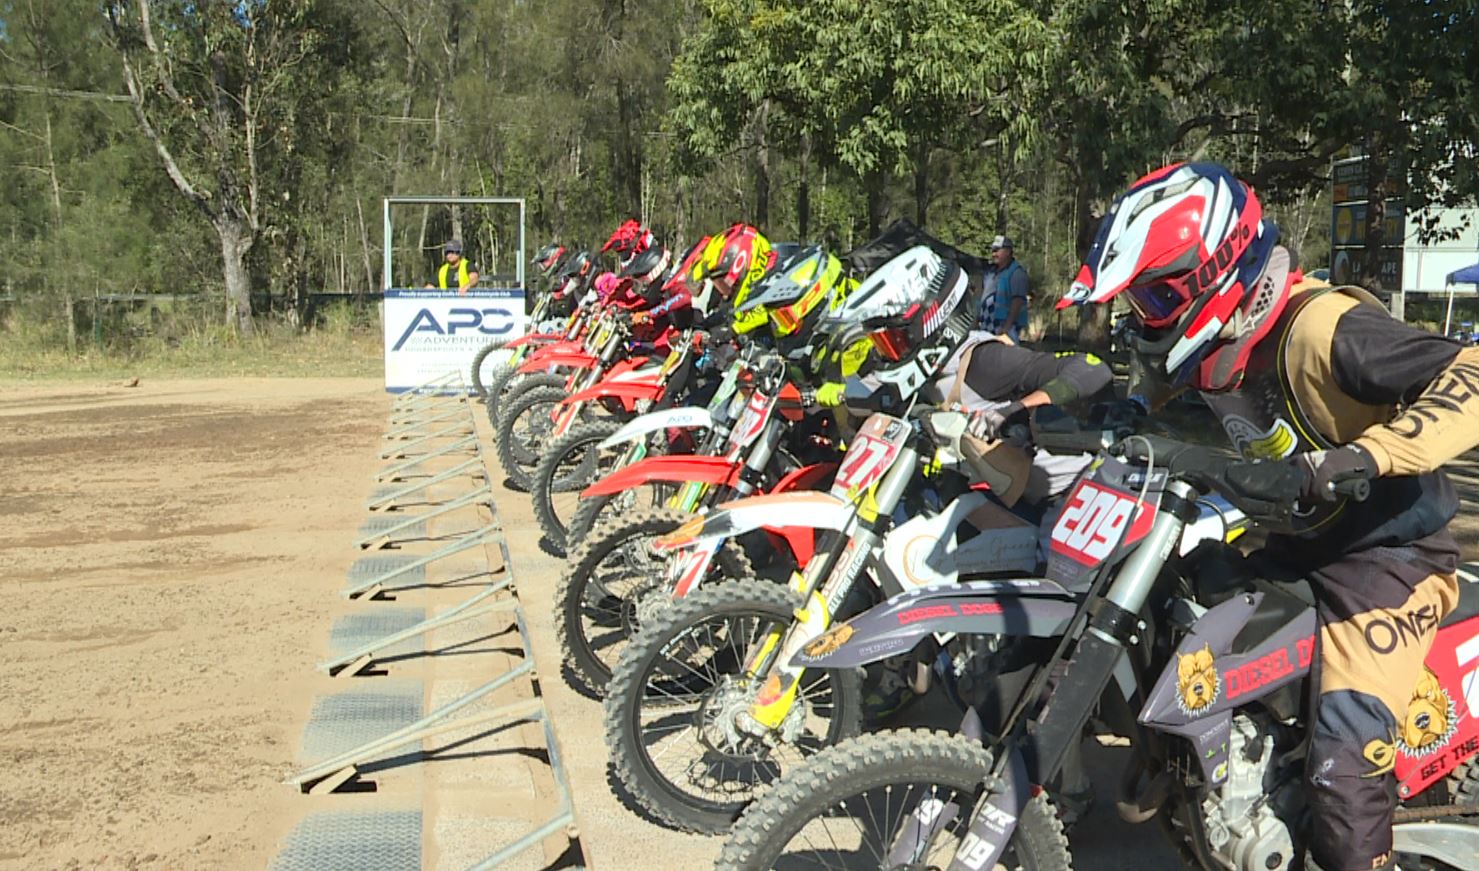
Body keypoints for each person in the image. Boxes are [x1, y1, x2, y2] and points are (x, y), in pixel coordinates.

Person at [1060, 161, 1479, 871]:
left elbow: (1467, 371)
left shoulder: (1324, 329)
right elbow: (1161, 393)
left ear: (1216, 269)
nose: (1146, 317)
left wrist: (1367, 455)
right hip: (1293, 546)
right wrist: (1111, 412)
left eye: (1156, 297)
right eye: (1138, 301)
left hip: (1387, 564)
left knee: (1343, 780)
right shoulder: (1219, 343)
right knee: (1180, 630)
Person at [986, 235, 1030, 341]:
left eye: (997, 250)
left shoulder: (1016, 273)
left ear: (1008, 252)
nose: (994, 254)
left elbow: (1017, 302)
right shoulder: (991, 273)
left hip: (1007, 328)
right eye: (993, 251)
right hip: (989, 325)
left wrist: (1006, 328)